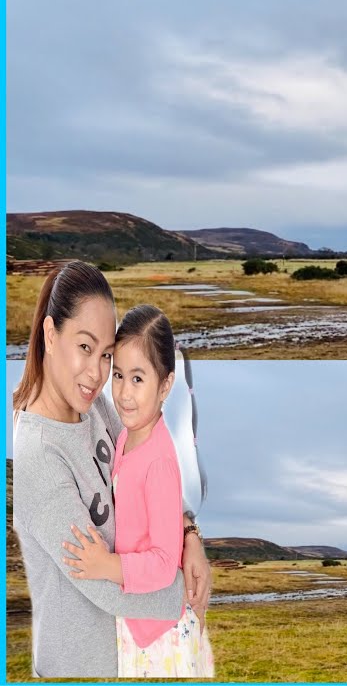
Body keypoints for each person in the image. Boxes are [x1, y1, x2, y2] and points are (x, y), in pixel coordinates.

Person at [11, 260, 211, 677]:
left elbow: (149, 479)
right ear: (50, 334)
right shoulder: (38, 453)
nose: (98, 374)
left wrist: (189, 534)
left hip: (134, 655)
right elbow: (101, 583)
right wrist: (185, 593)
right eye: (85, 348)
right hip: (84, 667)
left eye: (106, 355)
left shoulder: (96, 406)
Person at [63, 304, 215, 677]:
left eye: (137, 379)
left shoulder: (159, 461)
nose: (124, 393)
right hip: (139, 622)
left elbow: (164, 565)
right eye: (118, 375)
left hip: (162, 639)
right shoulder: (126, 439)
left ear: (165, 385)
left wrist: (107, 566)